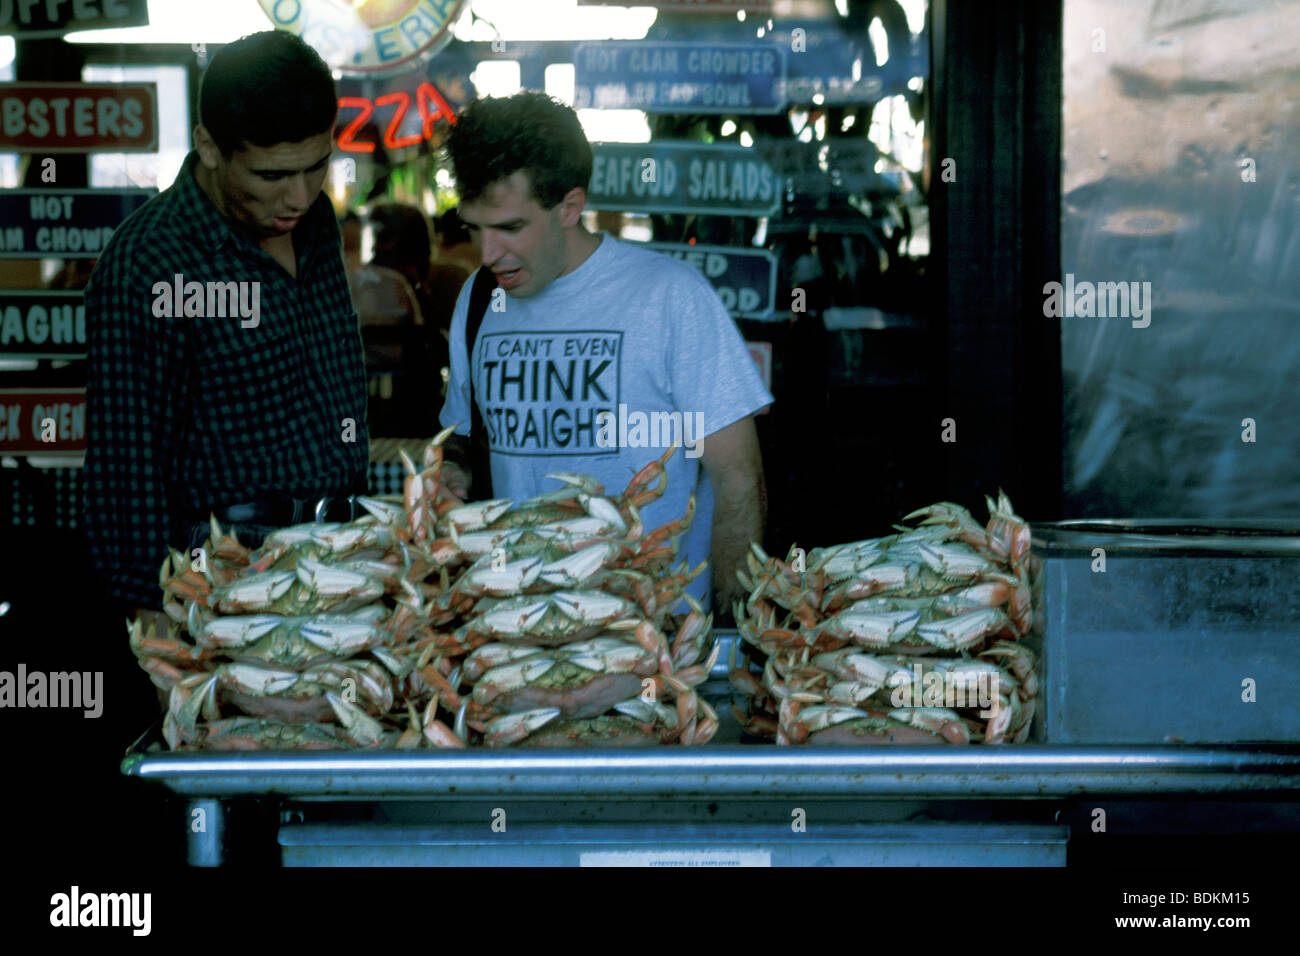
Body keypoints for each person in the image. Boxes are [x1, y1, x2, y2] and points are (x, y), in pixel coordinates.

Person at [439, 91, 772, 617]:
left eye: (510, 228)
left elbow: (738, 479)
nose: (487, 254)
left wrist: (730, 638)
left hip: (653, 641)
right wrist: (452, 472)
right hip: (515, 634)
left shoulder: (670, 297)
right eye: (474, 228)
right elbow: (465, 434)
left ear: (570, 207)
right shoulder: (479, 299)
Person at [83, 31, 369, 637]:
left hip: (344, 561)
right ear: (209, 147)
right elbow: (124, 464)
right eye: (271, 175)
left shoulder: (314, 220)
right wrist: (150, 624)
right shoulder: (149, 262)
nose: (300, 194)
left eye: (316, 166)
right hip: (222, 583)